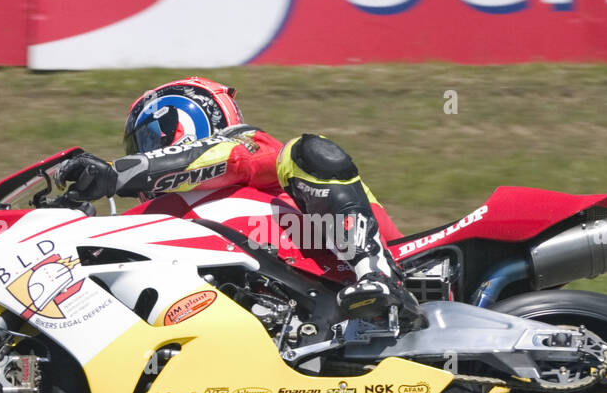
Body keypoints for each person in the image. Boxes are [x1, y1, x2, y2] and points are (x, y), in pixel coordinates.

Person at [57, 76, 422, 326]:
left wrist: (116, 172)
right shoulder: (163, 214)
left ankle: (377, 274)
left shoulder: (249, 150)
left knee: (307, 151)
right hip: (295, 304)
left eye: (150, 138)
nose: (145, 150)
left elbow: (231, 157)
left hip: (363, 255)